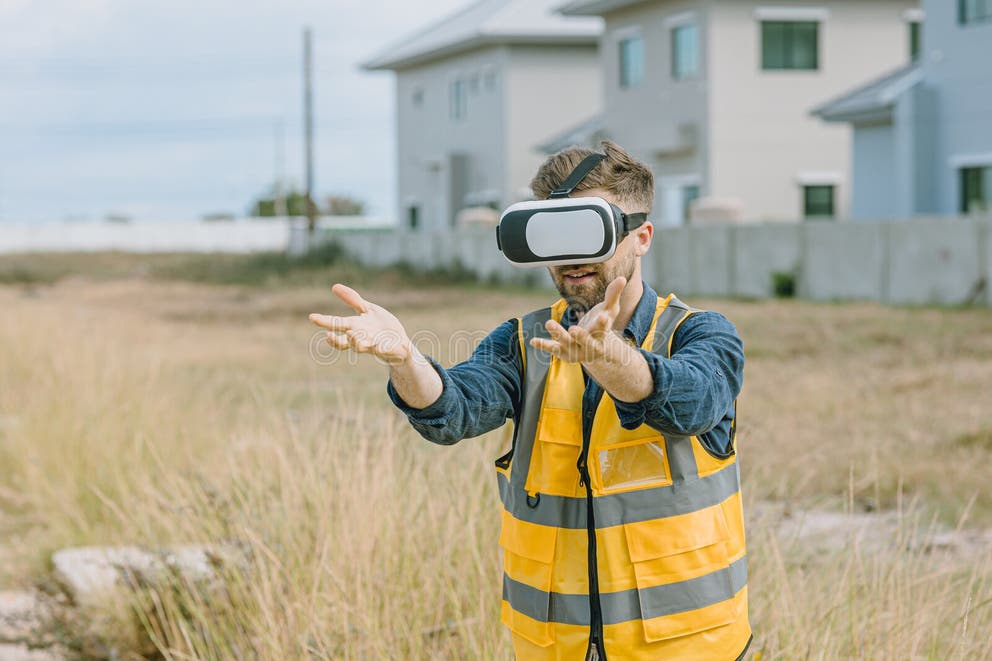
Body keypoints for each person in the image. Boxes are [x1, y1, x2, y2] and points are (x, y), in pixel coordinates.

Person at [309, 141, 752, 660]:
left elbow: (692, 401)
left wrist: (605, 355)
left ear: (641, 237)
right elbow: (452, 411)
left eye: (590, 231)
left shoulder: (702, 335)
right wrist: (406, 359)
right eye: (553, 235)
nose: (570, 257)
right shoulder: (521, 343)